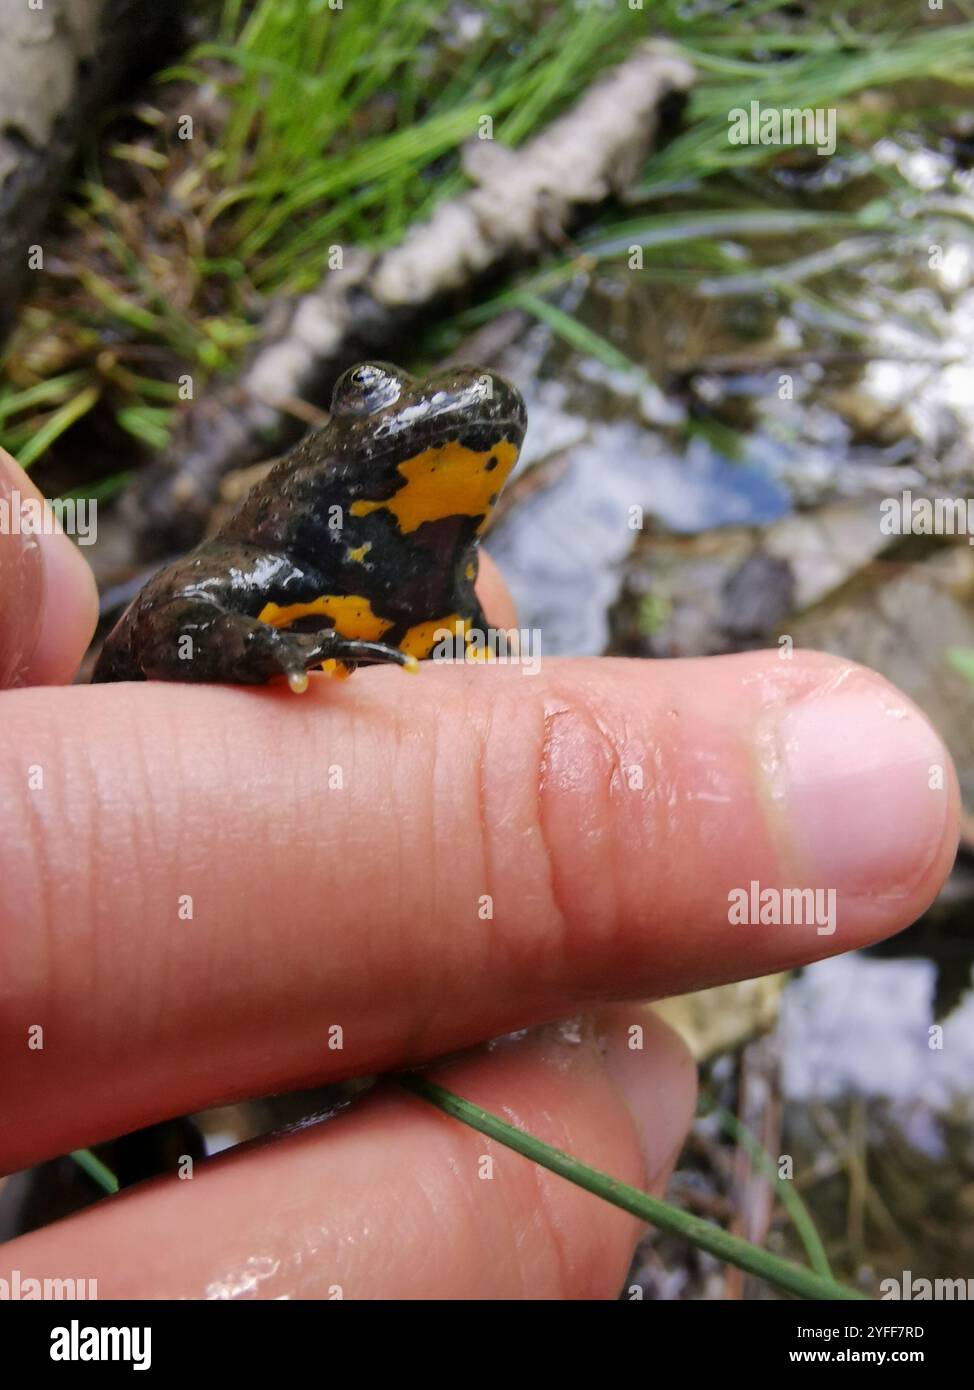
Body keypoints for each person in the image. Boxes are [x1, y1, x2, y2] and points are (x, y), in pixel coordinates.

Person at [0, 449, 958, 1299]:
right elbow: (171, 617)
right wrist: (270, 652)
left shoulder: (435, 585)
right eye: (368, 396)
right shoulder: (285, 559)